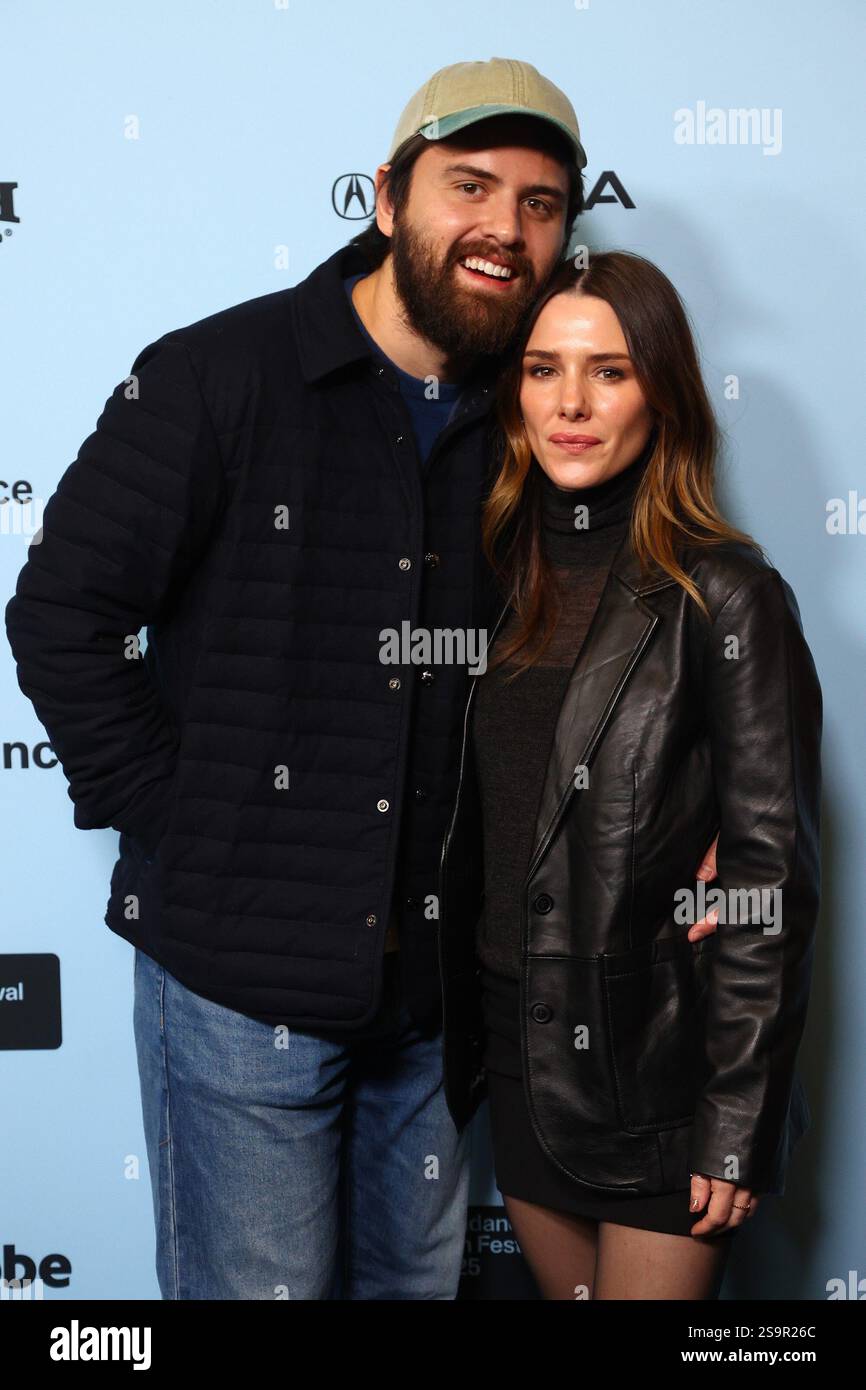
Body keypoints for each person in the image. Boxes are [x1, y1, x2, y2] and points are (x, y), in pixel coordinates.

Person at [5, 59, 719, 1300]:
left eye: (542, 204)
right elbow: (60, 613)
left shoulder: (533, 415)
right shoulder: (214, 378)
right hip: (238, 986)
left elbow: (595, 657)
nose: (505, 227)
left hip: (441, 1002)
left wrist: (688, 821)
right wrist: (189, 826)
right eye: (470, 186)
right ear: (387, 199)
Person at [438, 248, 822, 1300]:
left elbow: (766, 882)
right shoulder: (492, 578)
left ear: (662, 391)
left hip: (659, 1075)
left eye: (608, 371)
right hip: (519, 1058)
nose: (569, 403)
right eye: (541, 369)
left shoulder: (726, 594)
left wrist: (734, 1122)